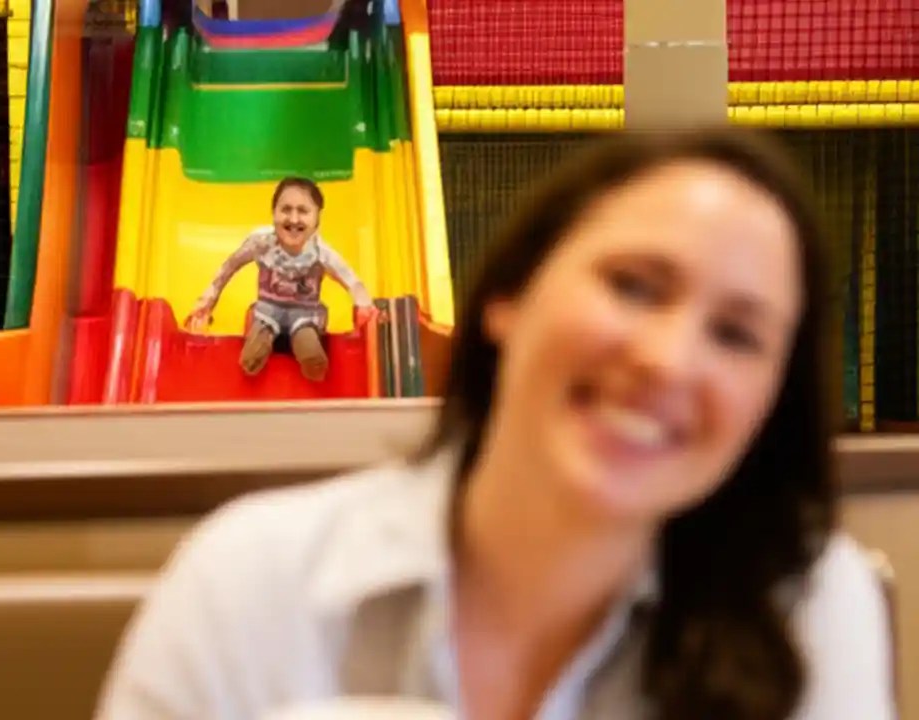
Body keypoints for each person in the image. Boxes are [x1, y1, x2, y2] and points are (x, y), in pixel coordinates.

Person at [99, 129, 896, 719]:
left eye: (737, 335)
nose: (668, 358)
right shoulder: (253, 587)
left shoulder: (808, 605)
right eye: (634, 286)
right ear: (509, 297)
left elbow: (345, 273)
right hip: (266, 313)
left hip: (305, 317)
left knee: (305, 341)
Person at [185, 177, 376, 382]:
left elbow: (351, 279)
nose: (293, 219)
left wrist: (364, 306)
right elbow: (229, 266)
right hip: (268, 311)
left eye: (303, 211)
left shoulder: (321, 253)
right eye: (285, 210)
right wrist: (207, 301)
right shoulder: (261, 243)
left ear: (317, 219)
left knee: (310, 349)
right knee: (251, 356)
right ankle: (256, 351)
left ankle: (313, 365)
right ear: (273, 213)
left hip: (304, 315)